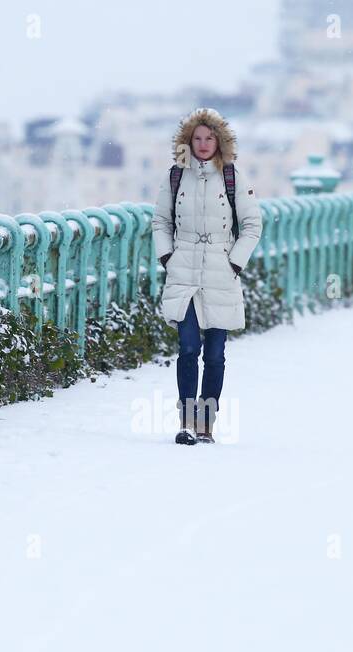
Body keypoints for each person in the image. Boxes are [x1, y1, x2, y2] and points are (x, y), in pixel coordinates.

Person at [152, 108, 263, 445]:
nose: (202, 144)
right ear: (188, 141)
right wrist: (168, 257)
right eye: (197, 138)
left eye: (209, 138)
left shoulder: (232, 177)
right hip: (183, 270)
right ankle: (186, 423)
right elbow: (160, 221)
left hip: (220, 270)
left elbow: (252, 225)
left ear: (219, 141)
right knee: (188, 348)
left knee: (214, 354)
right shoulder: (175, 175)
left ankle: (206, 423)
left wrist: (234, 264)